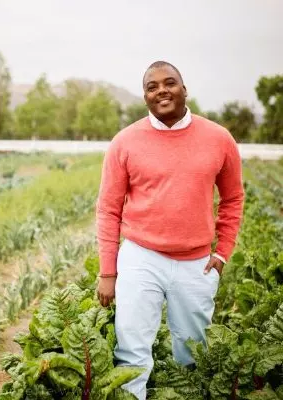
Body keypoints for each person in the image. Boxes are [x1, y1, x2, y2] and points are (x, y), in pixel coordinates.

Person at [95, 61, 244, 400]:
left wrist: (222, 252)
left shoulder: (218, 139)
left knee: (192, 354)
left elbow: (234, 198)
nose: (161, 90)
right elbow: (108, 210)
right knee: (132, 352)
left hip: (196, 264)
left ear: (184, 89)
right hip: (139, 257)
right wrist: (108, 271)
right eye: (152, 86)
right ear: (145, 97)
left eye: (169, 82)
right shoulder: (125, 142)